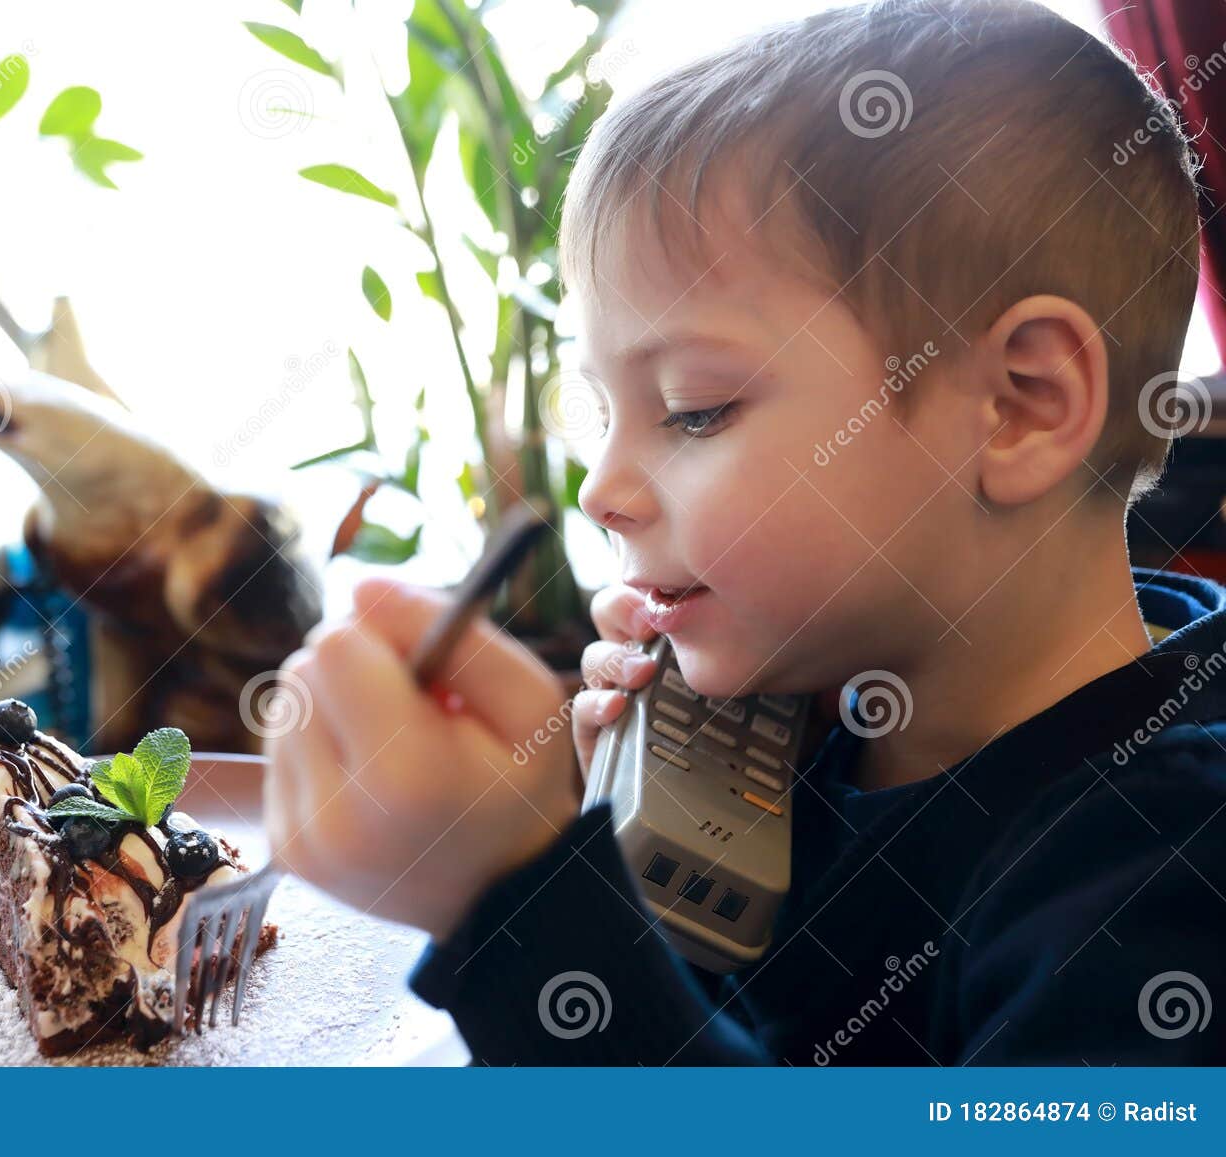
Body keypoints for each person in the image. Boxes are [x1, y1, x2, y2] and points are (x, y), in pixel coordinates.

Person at [263, 0, 1226, 1064]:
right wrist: (642, 890)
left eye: (693, 408)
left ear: (1019, 404)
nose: (603, 490)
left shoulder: (1160, 880)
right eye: (605, 414)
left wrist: (520, 918)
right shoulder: (827, 718)